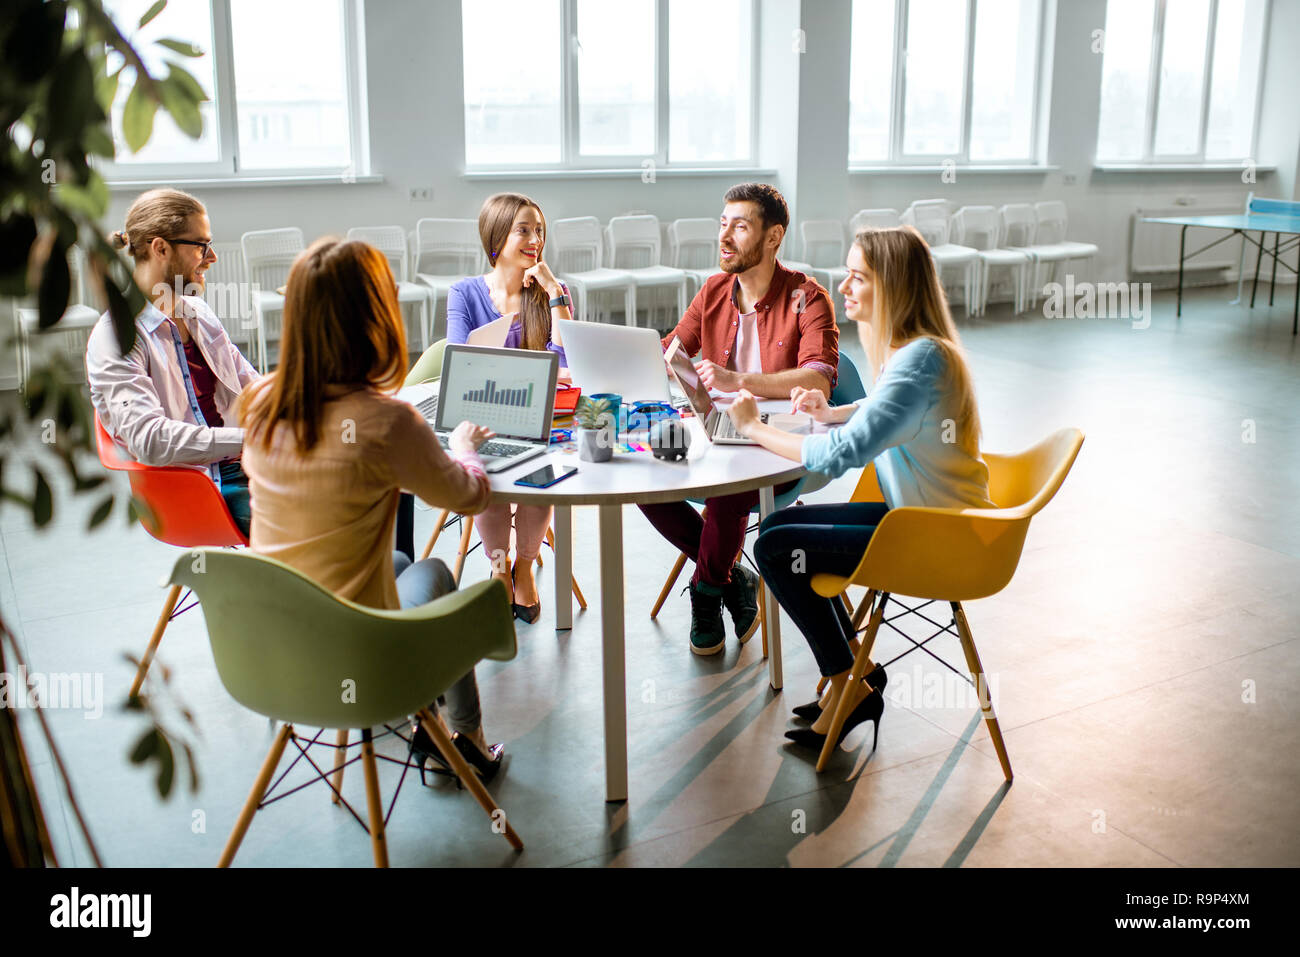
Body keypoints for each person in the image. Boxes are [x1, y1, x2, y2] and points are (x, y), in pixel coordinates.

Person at [238, 237, 505, 781]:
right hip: (358, 654)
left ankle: (428, 721)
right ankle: (467, 738)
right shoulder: (387, 422)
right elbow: (468, 496)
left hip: (269, 648)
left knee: (402, 565)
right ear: (377, 318)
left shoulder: (260, 404)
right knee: (433, 571)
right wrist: (463, 448)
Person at [727, 226, 995, 759]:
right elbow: (885, 411)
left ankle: (848, 682)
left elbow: (838, 456)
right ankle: (857, 674)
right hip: (917, 518)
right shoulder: (917, 354)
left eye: (858, 277)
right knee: (776, 530)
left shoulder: (920, 360)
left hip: (936, 536)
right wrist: (832, 412)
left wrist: (756, 428)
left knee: (774, 548)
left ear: (892, 286)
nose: (844, 286)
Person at [639, 183, 840, 656]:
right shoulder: (712, 290)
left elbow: (818, 382)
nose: (725, 237)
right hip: (715, 429)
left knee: (727, 489)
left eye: (740, 226)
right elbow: (673, 350)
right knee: (642, 474)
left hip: (776, 438)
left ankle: (707, 592)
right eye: (722, 224)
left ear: (774, 238)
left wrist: (737, 380)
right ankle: (734, 579)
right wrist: (625, 355)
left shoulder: (808, 299)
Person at [87, 188, 258, 535]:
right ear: (160, 248)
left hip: (250, 464)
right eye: (201, 246)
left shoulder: (197, 312)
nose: (211, 258)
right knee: (338, 512)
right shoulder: (116, 338)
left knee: (377, 478)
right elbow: (149, 440)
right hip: (201, 487)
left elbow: (250, 385)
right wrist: (252, 437)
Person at [442, 192, 573, 623]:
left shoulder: (553, 293)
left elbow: (567, 365)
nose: (535, 239)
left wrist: (554, 295)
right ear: (497, 235)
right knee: (488, 463)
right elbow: (462, 361)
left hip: (539, 421)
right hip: (483, 418)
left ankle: (523, 565)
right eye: (524, 229)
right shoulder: (464, 293)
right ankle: (498, 567)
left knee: (545, 467)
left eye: (540, 230)